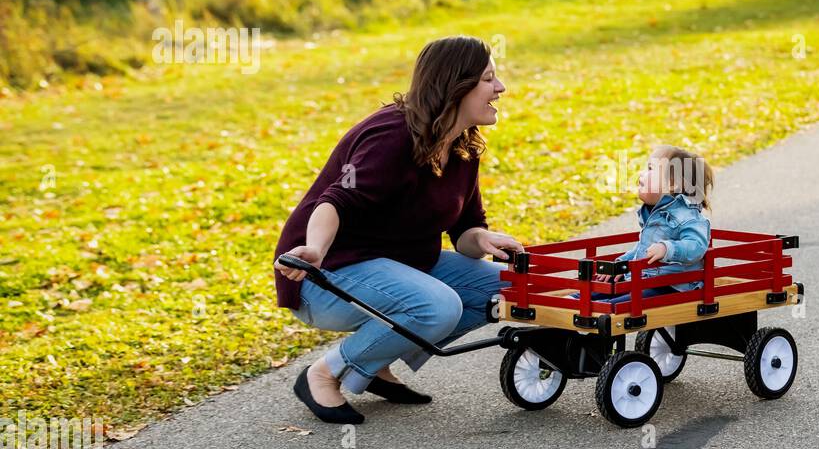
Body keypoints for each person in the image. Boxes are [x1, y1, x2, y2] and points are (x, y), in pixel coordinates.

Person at [273, 36, 524, 424]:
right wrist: (315, 251)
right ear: (455, 85)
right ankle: (324, 373)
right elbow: (333, 201)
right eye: (488, 79)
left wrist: (483, 239)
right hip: (325, 273)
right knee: (438, 306)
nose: (500, 88)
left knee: (511, 288)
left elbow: (465, 231)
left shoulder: (462, 146)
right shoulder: (392, 136)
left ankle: (372, 364)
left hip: (401, 265)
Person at [581, 146, 714, 305]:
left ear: (671, 184)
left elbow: (696, 246)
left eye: (650, 168)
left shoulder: (688, 217)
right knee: (606, 288)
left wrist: (667, 248)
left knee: (625, 301)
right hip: (647, 279)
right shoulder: (656, 213)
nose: (642, 174)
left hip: (672, 285)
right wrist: (623, 264)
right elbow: (643, 250)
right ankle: (576, 301)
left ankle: (603, 309)